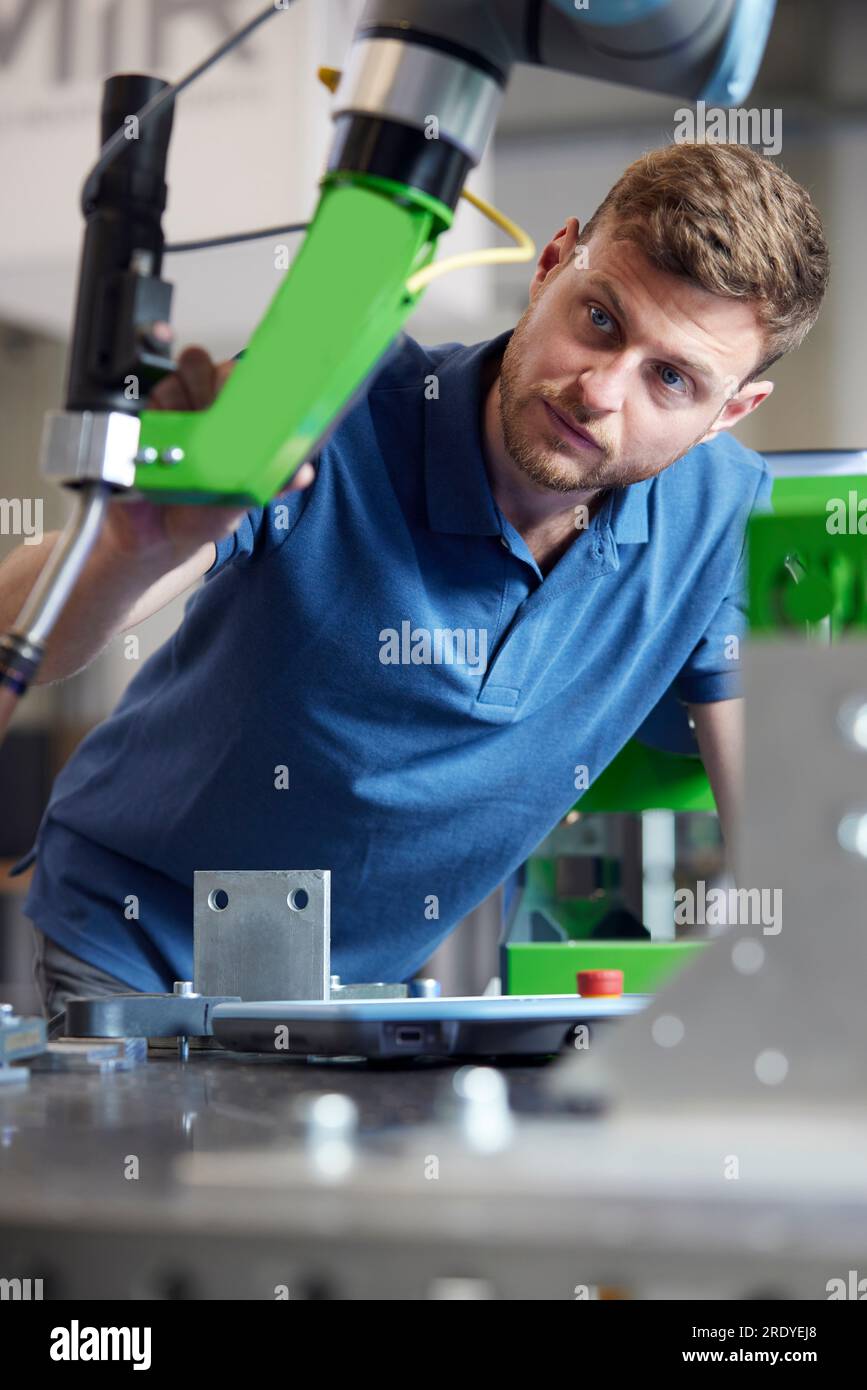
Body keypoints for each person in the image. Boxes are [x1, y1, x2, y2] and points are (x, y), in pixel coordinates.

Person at [0, 141, 829, 1029]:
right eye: (598, 318)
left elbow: (785, 848)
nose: (599, 391)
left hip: (367, 995)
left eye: (670, 378)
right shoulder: (333, 400)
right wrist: (129, 540)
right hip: (138, 946)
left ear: (727, 414)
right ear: (550, 265)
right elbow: (22, 629)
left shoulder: (722, 523)